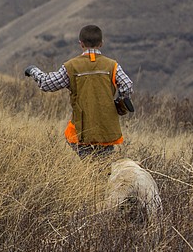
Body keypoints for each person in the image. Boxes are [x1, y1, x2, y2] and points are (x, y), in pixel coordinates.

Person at [24, 24, 134, 158]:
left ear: (81, 44)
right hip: (107, 126)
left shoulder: (71, 66)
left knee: (74, 139)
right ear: (101, 43)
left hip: (82, 126)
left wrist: (33, 71)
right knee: (104, 162)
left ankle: (88, 163)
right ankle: (96, 167)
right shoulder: (112, 65)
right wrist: (120, 102)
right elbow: (127, 85)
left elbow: (47, 84)